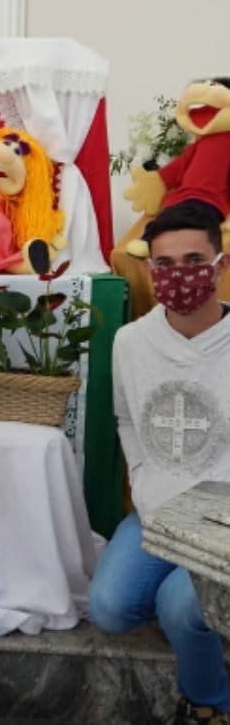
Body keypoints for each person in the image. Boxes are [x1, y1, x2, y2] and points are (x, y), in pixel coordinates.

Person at [89, 202, 230, 725]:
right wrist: (147, 484)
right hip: (155, 507)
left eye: (195, 259)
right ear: (151, 271)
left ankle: (208, 701)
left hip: (222, 518)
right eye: (165, 264)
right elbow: (128, 419)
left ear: (220, 264)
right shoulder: (131, 342)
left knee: (179, 607)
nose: (179, 275)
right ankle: (206, 613)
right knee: (108, 608)